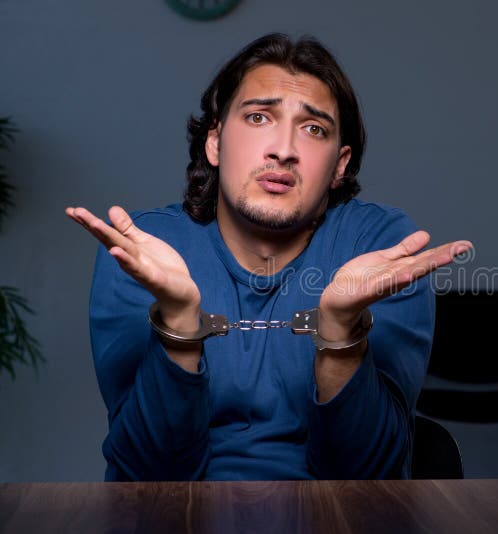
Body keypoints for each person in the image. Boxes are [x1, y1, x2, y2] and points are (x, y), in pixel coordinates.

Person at [65, 33, 471, 481]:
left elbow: (367, 475)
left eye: (313, 129)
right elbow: (148, 475)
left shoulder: (381, 246)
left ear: (339, 164)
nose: (284, 149)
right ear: (215, 142)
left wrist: (339, 332)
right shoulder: (142, 249)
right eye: (259, 117)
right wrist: (180, 322)